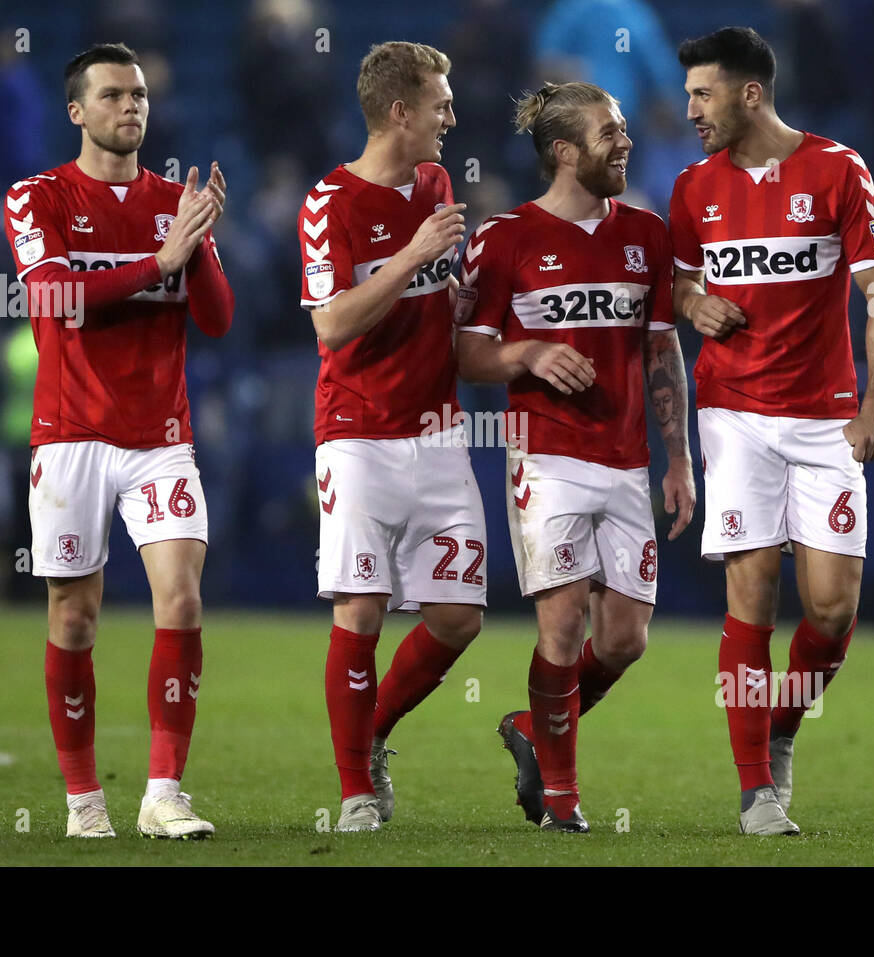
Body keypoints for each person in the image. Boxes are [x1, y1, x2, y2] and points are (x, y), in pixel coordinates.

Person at [669, 27, 874, 835]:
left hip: (825, 418)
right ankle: (756, 789)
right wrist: (694, 304)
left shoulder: (839, 170)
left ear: (750, 93)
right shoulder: (693, 187)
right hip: (732, 412)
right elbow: (675, 286)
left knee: (832, 609)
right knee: (752, 591)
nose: (691, 109)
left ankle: (782, 724)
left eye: (703, 94)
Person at [1, 42, 234, 839]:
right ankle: (82, 802)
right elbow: (57, 295)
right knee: (74, 616)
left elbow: (217, 319)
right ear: (77, 110)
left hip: (161, 436)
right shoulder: (38, 198)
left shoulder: (177, 200)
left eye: (138, 95)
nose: (130, 107)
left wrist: (195, 249)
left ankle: (164, 792)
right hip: (70, 435)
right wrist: (158, 260)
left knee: (183, 598)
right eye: (111, 96)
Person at [456, 82, 694, 832]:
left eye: (623, 130)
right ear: (563, 152)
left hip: (625, 460)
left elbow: (663, 349)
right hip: (547, 456)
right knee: (560, 623)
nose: (624, 142)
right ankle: (562, 799)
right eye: (608, 132)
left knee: (624, 637)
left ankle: (533, 725)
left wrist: (679, 460)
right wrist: (527, 351)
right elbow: (465, 350)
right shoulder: (505, 238)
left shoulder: (647, 236)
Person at [298, 42, 487, 832]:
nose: (452, 117)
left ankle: (371, 729)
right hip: (358, 433)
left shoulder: (437, 184)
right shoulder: (327, 204)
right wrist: (413, 254)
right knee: (362, 610)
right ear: (400, 112)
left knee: (458, 617)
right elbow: (333, 324)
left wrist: (462, 286)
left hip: (440, 432)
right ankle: (353, 794)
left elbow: (448, 292)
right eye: (440, 104)